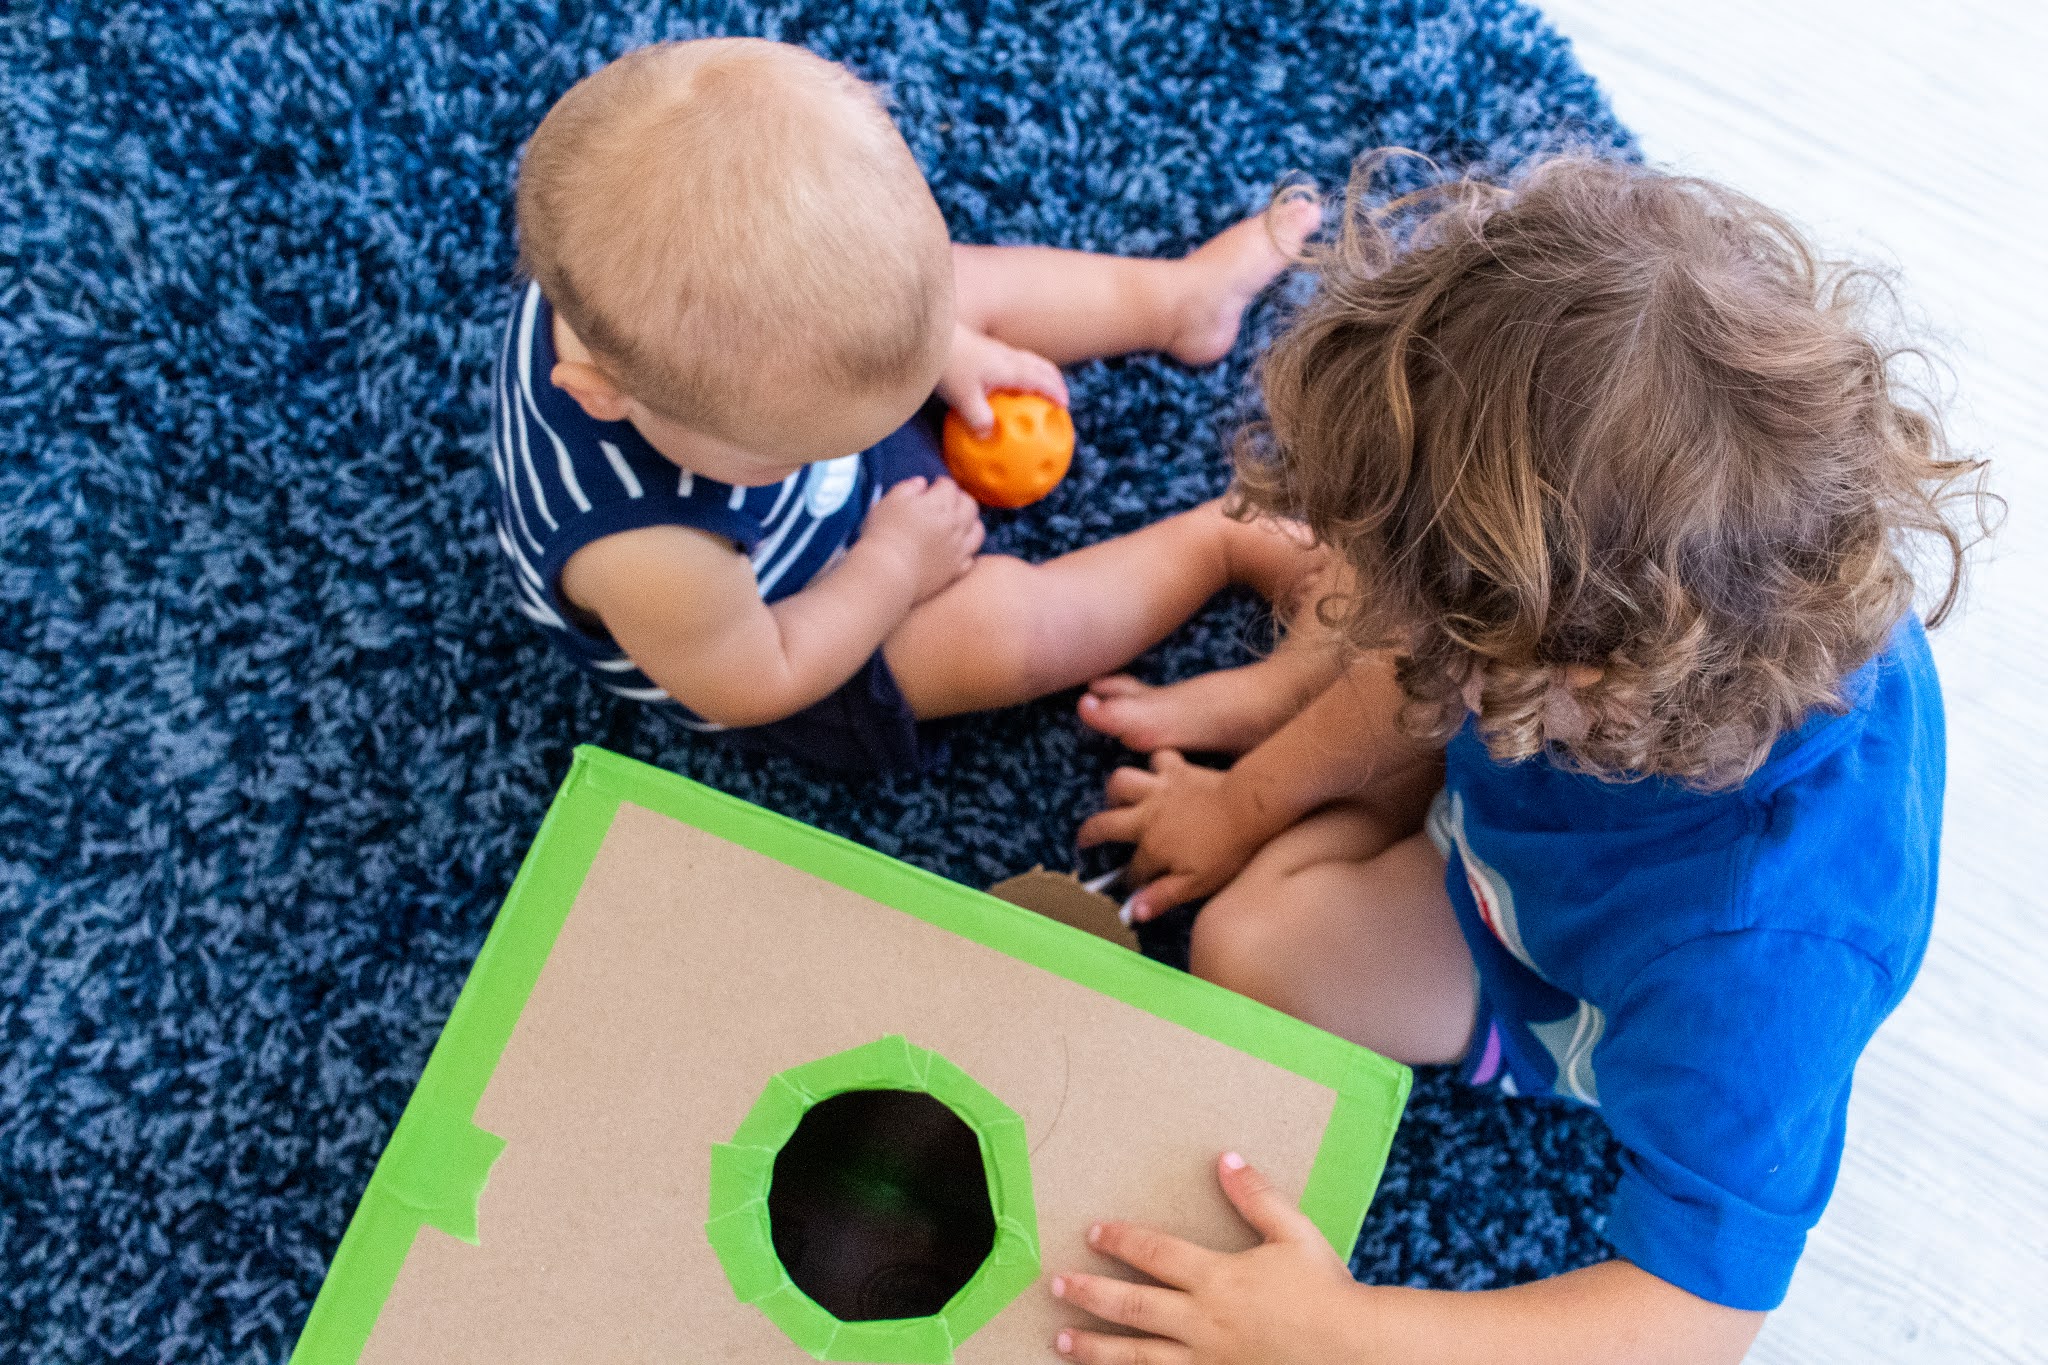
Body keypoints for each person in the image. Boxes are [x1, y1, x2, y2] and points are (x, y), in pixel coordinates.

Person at [1058, 154, 1987, 1363]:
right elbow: (1420, 655)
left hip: (1569, 957)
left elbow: (1693, 1318)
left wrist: (1336, 1331)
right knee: (1383, 601)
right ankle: (1353, 700)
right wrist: (1242, 801)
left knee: (1251, 951)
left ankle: (1492, 999)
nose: (1382, 628)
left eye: (1427, 636)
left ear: (1573, 674)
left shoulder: (1755, 970)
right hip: (1539, 732)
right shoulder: (1663, 578)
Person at [492, 36, 1326, 773]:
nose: (891, 427)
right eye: (801, 445)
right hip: (801, 622)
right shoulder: (650, 549)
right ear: (605, 396)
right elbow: (757, 678)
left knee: (954, 289)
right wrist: (891, 567)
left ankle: (1176, 303)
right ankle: (1215, 545)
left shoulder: (625, 291)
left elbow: (873, 319)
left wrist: (941, 346)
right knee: (1004, 633)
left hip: (803, 410)